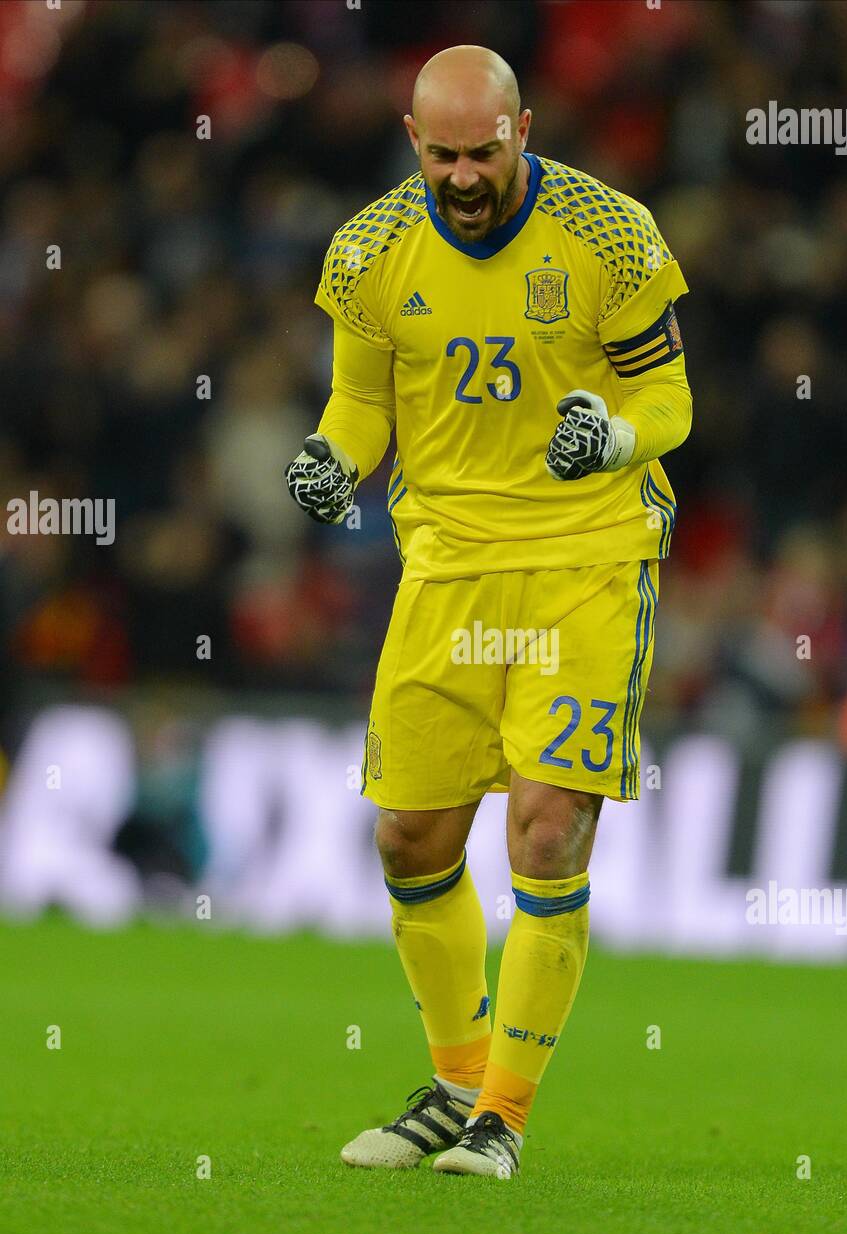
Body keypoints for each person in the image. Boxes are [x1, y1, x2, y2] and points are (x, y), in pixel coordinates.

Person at [284, 46, 692, 1177]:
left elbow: (669, 394)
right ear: (414, 141)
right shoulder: (369, 247)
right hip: (446, 567)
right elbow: (362, 400)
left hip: (585, 561)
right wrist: (332, 459)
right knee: (408, 835)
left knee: (546, 826)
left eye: (485, 150)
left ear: (525, 125)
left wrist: (610, 435)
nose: (465, 175)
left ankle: (501, 1117)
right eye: (444, 154)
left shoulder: (606, 233)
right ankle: (452, 1085)